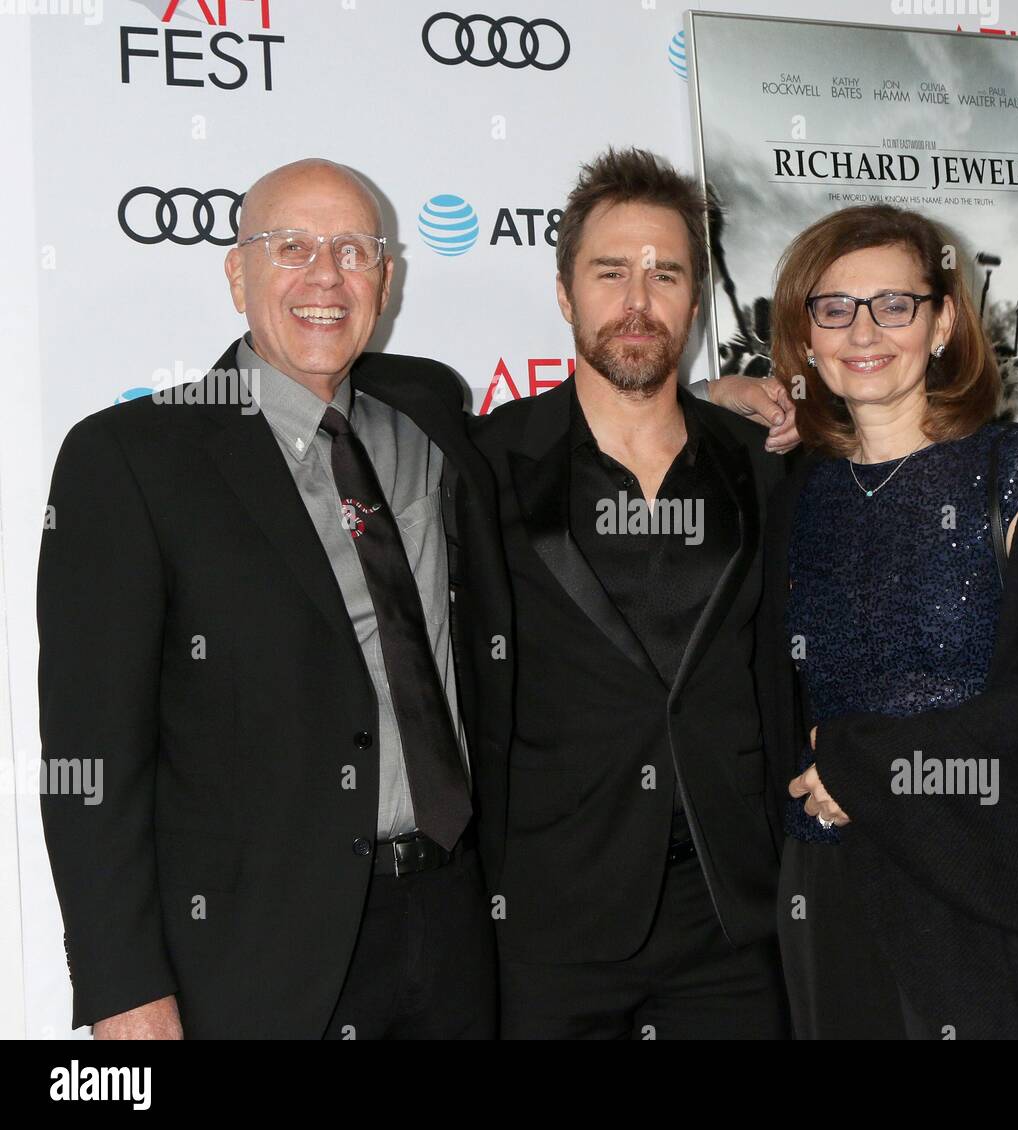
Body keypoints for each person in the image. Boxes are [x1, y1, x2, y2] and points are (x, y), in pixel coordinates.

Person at [38, 159, 512, 1039]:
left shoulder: (429, 415)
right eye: (289, 247)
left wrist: (711, 403)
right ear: (236, 274)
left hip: (450, 925)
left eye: (352, 251)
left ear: (387, 277)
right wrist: (120, 989)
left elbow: (560, 443)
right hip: (256, 962)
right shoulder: (131, 459)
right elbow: (89, 759)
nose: (324, 276)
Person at [756, 204, 1018, 1039]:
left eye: (894, 304)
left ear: (942, 323)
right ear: (805, 334)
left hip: (985, 898)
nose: (863, 330)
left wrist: (866, 769)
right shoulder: (798, 492)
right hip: (831, 893)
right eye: (833, 307)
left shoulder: (1014, 472)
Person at [471, 148, 790, 1039]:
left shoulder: (760, 466)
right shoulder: (482, 463)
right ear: (566, 294)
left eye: (666, 274)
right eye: (610, 273)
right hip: (550, 922)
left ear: (695, 300)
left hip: (733, 918)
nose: (638, 301)